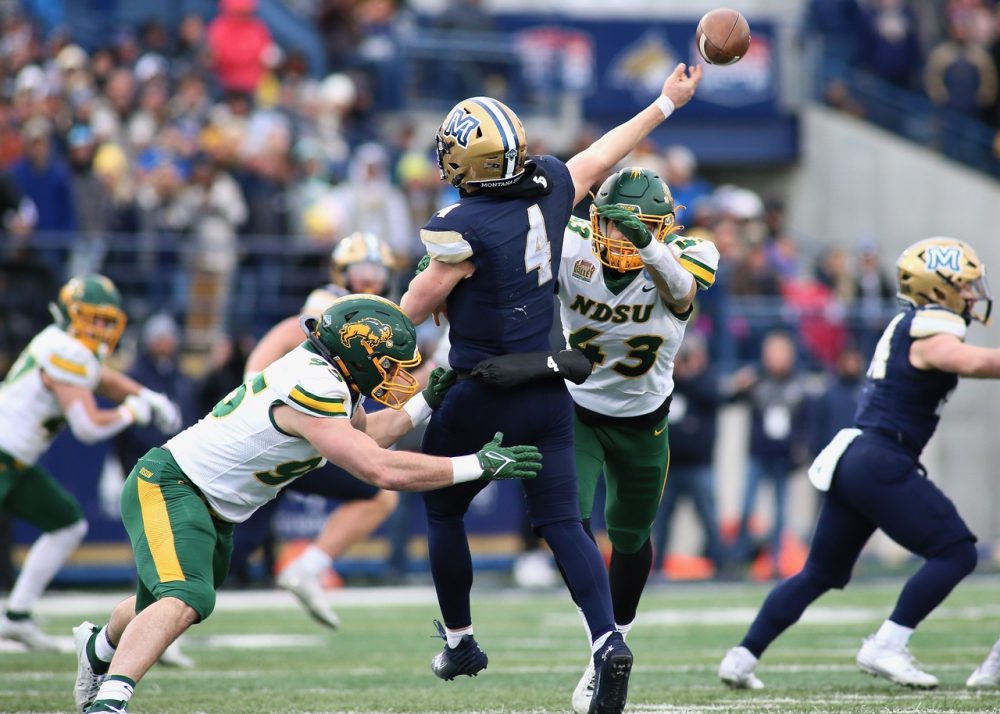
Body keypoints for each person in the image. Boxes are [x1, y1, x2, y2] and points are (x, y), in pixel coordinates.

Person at [73, 294, 542, 714]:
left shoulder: (332, 377)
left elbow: (368, 433)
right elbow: (380, 469)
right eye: (389, 363)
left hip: (213, 503)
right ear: (359, 354)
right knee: (186, 597)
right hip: (175, 484)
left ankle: (97, 648)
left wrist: (423, 405)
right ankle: (111, 703)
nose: (398, 375)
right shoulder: (315, 385)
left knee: (159, 602)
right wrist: (477, 465)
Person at [400, 63, 701, 714]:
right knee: (566, 523)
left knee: (442, 509)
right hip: (547, 388)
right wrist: (664, 105)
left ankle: (460, 640)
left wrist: (377, 329)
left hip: (478, 385)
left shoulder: (461, 224)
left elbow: (418, 306)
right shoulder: (553, 187)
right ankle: (604, 643)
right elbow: (601, 154)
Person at [719, 237, 994, 690]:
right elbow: (964, 360)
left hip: (859, 456)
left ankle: (742, 656)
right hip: (881, 457)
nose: (972, 295)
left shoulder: (912, 323)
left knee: (820, 572)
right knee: (956, 551)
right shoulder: (928, 330)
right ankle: (887, 643)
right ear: (939, 288)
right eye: (964, 286)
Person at [555, 167, 719, 714]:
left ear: (665, 228)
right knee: (567, 519)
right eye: (616, 226)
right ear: (594, 218)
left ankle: (616, 634)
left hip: (645, 419)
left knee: (630, 537)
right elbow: (509, 257)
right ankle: (603, 644)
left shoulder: (690, 252)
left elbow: (681, 292)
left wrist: (647, 243)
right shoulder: (570, 242)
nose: (622, 239)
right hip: (577, 411)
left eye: (640, 227)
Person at [0, 275, 181, 651]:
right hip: (4, 453)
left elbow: (103, 379)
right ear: (69, 314)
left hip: (16, 461)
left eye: (106, 320)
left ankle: (16, 615)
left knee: (66, 524)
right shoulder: (63, 350)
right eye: (92, 318)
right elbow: (87, 427)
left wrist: (146, 393)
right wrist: (133, 412)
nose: (99, 328)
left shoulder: (72, 349)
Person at [236, 232, 400, 628]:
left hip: (313, 436)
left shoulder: (375, 313)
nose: (369, 281)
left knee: (378, 494)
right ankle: (147, 617)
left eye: (377, 273)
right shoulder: (332, 303)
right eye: (360, 271)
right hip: (282, 433)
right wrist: (253, 379)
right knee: (233, 542)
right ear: (340, 273)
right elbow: (286, 333)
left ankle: (307, 569)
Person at [651, 333, 725, 574]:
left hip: (698, 465)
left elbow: (711, 396)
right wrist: (677, 370)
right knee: (661, 520)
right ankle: (657, 566)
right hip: (670, 464)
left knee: (708, 518)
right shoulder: (668, 380)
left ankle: (721, 565)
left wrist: (691, 373)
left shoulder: (707, 379)